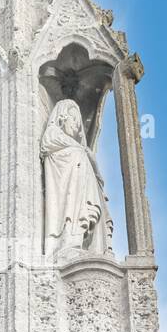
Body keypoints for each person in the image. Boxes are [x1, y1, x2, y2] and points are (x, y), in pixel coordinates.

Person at [41, 98, 112, 257]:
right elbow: (47, 142)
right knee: (79, 155)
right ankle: (68, 240)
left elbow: (97, 175)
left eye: (79, 122)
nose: (77, 125)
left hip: (75, 190)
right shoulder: (54, 134)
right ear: (62, 117)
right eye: (74, 119)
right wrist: (82, 150)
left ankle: (88, 241)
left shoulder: (76, 149)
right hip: (67, 199)